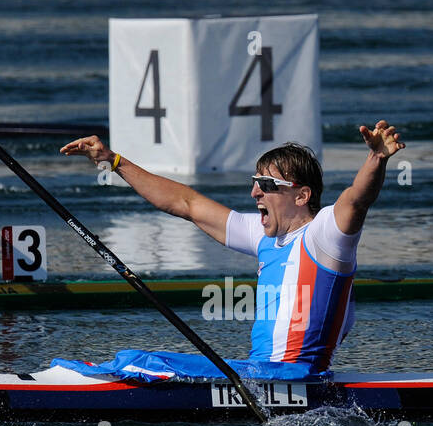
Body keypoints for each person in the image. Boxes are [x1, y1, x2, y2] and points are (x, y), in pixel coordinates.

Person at [59, 122, 404, 377]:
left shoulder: (325, 236)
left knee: (140, 363)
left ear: (302, 196)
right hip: (260, 375)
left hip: (294, 377)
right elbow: (186, 203)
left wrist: (376, 158)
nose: (255, 193)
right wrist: (114, 160)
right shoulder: (264, 236)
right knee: (141, 362)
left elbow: (356, 200)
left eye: (267, 185)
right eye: (254, 184)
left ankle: (91, 380)